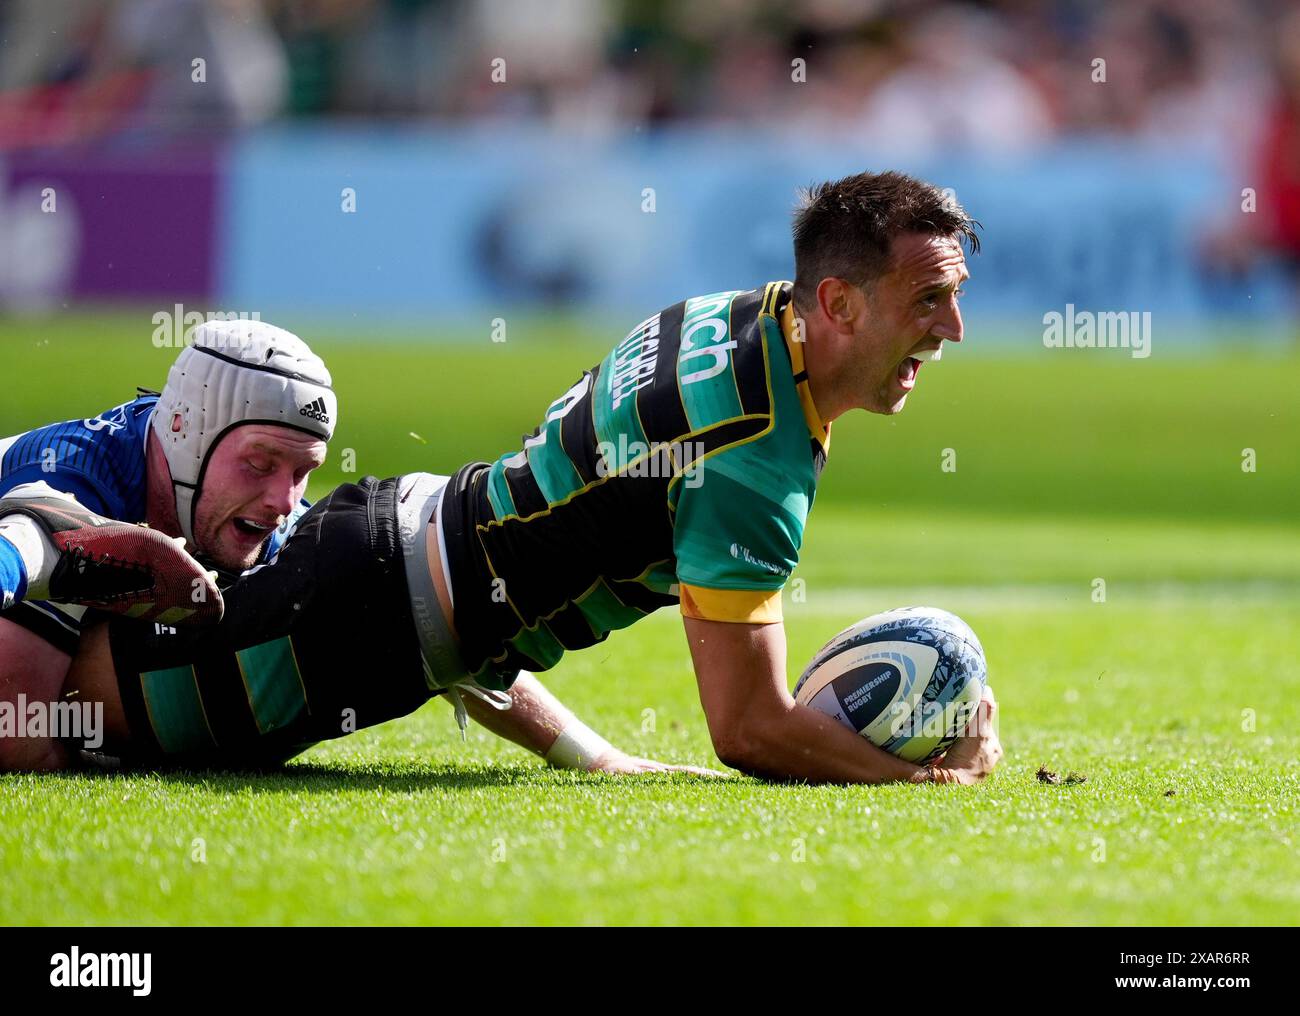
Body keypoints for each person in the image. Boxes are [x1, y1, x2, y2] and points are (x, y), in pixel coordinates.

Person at [59, 170, 1003, 785]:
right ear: (836, 301)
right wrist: (929, 779)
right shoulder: (749, 457)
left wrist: (589, 755)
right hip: (342, 622)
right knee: (47, 725)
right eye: (929, 301)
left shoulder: (738, 317)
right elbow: (749, 728)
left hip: (386, 544)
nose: (950, 330)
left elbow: (512, 569)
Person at [0, 320, 335, 769]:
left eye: (301, 471)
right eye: (259, 463)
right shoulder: (72, 483)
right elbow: (17, 735)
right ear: (182, 430)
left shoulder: (282, 524)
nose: (283, 501)